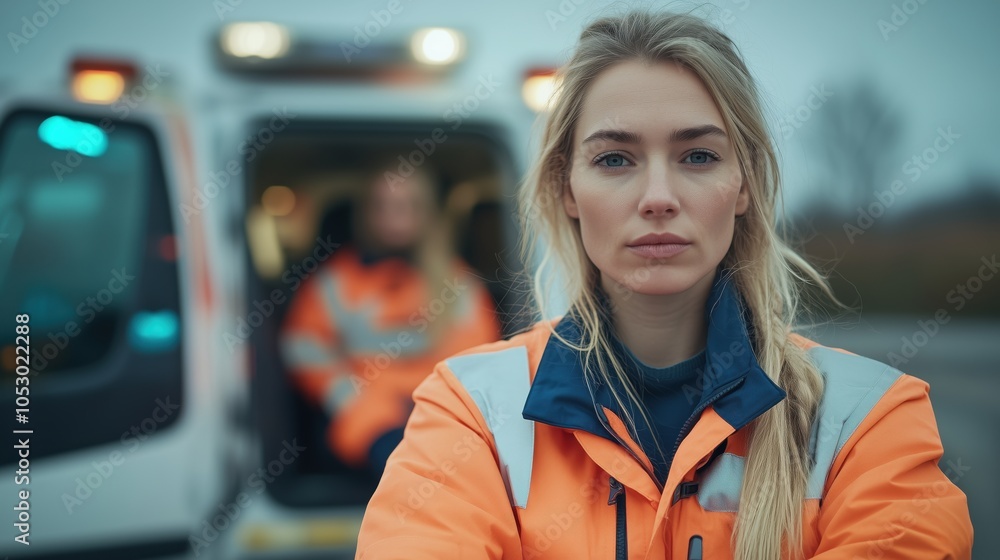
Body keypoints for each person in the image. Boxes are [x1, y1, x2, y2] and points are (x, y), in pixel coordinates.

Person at [354, 9, 974, 560]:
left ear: (745, 186)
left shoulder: (867, 420)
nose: (658, 198)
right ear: (567, 188)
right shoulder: (470, 413)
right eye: (615, 159)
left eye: (698, 156)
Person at [280, 162, 502, 475]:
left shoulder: (457, 283)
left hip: (441, 418)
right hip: (366, 418)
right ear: (366, 212)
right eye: (382, 206)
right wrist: (348, 398)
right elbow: (304, 348)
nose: (393, 217)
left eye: (406, 205)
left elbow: (478, 358)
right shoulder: (334, 282)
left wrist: (433, 408)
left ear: (427, 213)